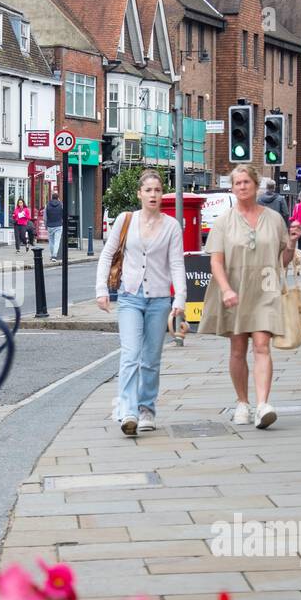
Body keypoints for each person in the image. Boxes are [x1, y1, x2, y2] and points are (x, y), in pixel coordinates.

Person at [198, 165, 301, 430]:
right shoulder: (223, 222)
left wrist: (291, 243)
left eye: (246, 182)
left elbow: (283, 262)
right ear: (232, 188)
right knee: (237, 349)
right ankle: (243, 402)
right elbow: (216, 263)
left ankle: (263, 404)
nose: (242, 187)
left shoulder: (275, 219)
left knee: (262, 346)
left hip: (266, 288)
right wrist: (226, 289)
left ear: (256, 186)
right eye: (237, 183)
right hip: (235, 288)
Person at [95, 170, 187, 437]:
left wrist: (179, 298)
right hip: (130, 298)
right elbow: (107, 255)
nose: (153, 195)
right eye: (148, 190)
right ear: (140, 194)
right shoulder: (126, 220)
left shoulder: (171, 226)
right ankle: (128, 412)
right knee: (130, 354)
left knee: (151, 360)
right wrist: (102, 290)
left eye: (157, 190)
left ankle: (147, 409)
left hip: (159, 300)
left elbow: (177, 265)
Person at [45, 190, 64, 260]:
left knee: (51, 241)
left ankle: (52, 254)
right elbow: (64, 214)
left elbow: (45, 217)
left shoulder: (47, 204)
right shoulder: (61, 204)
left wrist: (45, 225)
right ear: (58, 198)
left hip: (50, 225)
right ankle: (54, 256)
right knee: (57, 241)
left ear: (52, 198)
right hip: (59, 225)